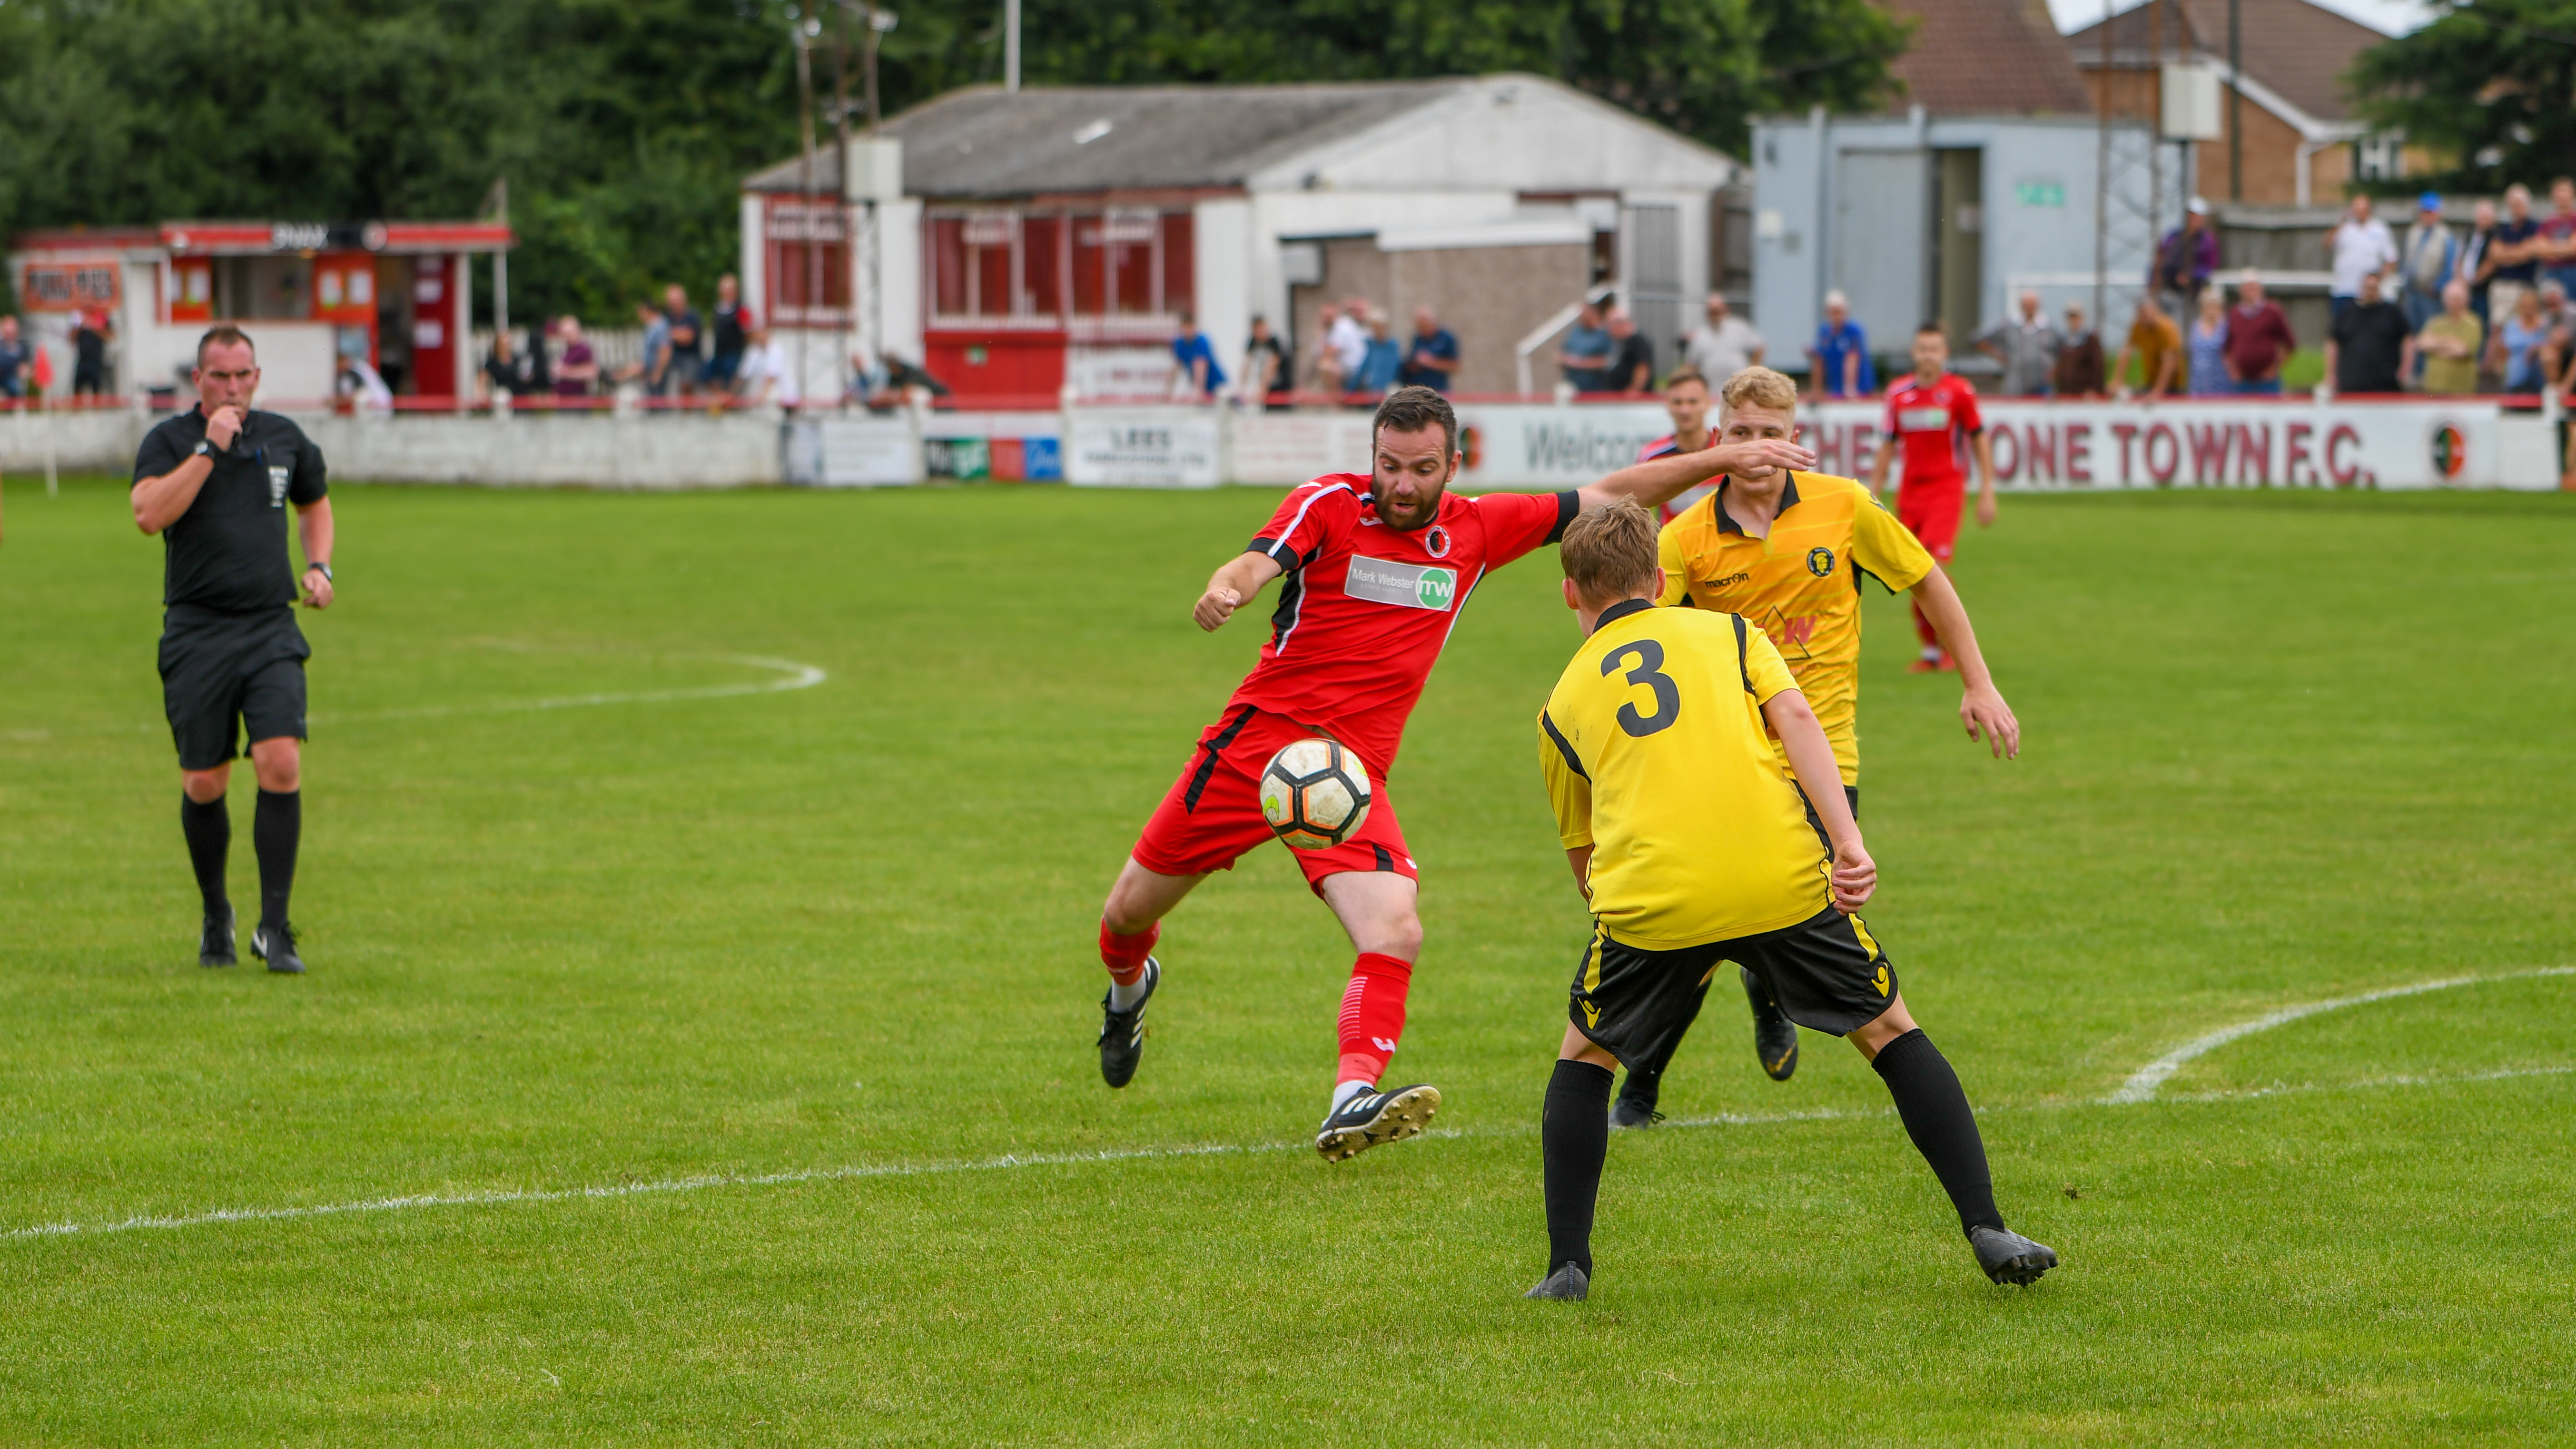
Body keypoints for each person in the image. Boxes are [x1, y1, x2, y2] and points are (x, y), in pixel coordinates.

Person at [1087, 386, 1816, 1162]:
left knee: (1395, 928)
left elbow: (1606, 495)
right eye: (1388, 467)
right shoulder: (1329, 505)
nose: (1401, 485)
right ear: (1372, 458)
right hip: (1248, 753)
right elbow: (1260, 558)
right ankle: (1128, 993)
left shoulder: (1475, 529)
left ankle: (1349, 1098)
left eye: (1421, 469)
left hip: (1347, 781)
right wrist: (1229, 586)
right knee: (1128, 913)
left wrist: (1721, 461)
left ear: (1453, 466)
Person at [1521, 499, 2055, 1302]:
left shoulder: (1558, 702)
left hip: (1652, 899)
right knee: (1888, 1029)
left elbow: (1583, 854)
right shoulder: (1730, 634)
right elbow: (1798, 719)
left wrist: (1621, 923)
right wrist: (1846, 842)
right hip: (1779, 876)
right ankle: (1986, 1225)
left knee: (1585, 1057)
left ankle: (1567, 1268)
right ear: (1660, 579)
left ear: (1570, 593)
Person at [1605, 366, 2021, 1126]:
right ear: (1715, 440)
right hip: (1723, 764)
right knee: (1697, 935)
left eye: (1771, 434)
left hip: (1824, 760)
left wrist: (1979, 683)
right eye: (1740, 435)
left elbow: (1928, 580)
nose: (1756, 449)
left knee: (1795, 916)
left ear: (1796, 440)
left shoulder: (1845, 507)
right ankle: (1650, 1080)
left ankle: (1727, 1028)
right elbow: (1630, 633)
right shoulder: (1683, 538)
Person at [128, 326, 335, 977]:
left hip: (271, 626)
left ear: (257, 374)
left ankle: (276, 928)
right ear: (199, 379)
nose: (235, 388)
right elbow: (149, 515)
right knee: (205, 781)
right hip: (196, 632)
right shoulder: (167, 442)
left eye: (244, 375)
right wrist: (210, 450)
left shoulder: (285, 438)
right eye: (221, 376)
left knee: (279, 761)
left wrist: (321, 564)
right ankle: (217, 911)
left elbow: (315, 503)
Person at [1867, 324, 1995, 672]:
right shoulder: (1898, 394)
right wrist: (1873, 492)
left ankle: (1952, 648)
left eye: (1934, 349)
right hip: (1910, 494)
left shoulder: (1958, 392)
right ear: (1913, 353)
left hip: (1945, 491)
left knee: (1931, 569)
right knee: (1912, 574)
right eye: (1922, 349)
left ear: (1945, 354)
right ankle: (1930, 652)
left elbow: (1979, 438)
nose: (1928, 355)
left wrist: (1987, 490)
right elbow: (1887, 446)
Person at [1632, 367, 1717, 523]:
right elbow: (1635, 512)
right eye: (1678, 402)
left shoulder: (1724, 452)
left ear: (1707, 403)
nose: (1685, 410)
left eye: (1693, 402)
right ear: (1668, 405)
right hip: (1669, 546)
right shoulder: (1653, 456)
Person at [2326, 269, 2412, 395]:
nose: (2371, 291)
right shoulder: (2347, 312)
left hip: (2386, 385)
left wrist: (2405, 370)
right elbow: (2333, 343)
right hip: (2351, 384)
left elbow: (2408, 340)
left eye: (2374, 288)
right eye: (2368, 287)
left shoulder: (2392, 312)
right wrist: (2331, 374)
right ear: (2361, 287)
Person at [2326, 194, 2398, 325]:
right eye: (2356, 209)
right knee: (2342, 327)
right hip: (2344, 289)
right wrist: (2340, 222)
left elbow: (2391, 260)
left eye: (2363, 209)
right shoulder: (2344, 229)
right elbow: (2327, 246)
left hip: (2368, 294)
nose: (2360, 212)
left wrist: (2378, 282)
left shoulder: (2380, 230)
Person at [2222, 273, 2296, 395]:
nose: (2250, 292)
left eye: (2253, 287)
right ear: (2241, 291)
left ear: (2260, 289)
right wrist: (2233, 370)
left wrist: (2275, 368)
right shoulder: (2234, 314)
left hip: (2268, 382)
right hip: (2243, 382)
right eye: (2247, 288)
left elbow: (2290, 344)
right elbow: (2226, 347)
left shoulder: (2272, 312)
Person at [2398, 193, 2457, 343]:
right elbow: (2406, 260)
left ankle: (2427, 366)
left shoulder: (2446, 236)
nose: (2427, 215)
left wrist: (2437, 288)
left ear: (2438, 213)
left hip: (2431, 294)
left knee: (2430, 331)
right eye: (2424, 212)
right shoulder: (2414, 232)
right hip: (2412, 291)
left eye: (2431, 212)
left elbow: (2450, 267)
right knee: (2411, 331)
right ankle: (2414, 366)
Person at [1977, 290, 2059, 396]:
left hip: (2042, 382)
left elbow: (2062, 349)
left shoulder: (2048, 327)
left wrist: (2055, 370)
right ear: (2021, 306)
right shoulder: (2009, 325)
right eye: (2027, 305)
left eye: (2032, 305)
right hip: (2016, 383)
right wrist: (1999, 356)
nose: (2030, 308)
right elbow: (1980, 339)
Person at [2152, 197, 2220, 317]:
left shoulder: (2207, 241)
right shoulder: (2174, 237)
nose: (2194, 220)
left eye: (2197, 217)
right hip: (2170, 291)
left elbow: (2210, 267)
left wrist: (2191, 276)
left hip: (2194, 294)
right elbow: (2161, 260)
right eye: (2191, 216)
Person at [2416, 278, 2483, 397]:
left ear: (2467, 299)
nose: (2454, 302)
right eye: (2451, 298)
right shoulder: (2435, 322)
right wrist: (2450, 342)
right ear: (2444, 300)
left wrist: (2436, 345)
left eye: (2458, 298)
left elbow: (2462, 351)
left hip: (2460, 393)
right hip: (2433, 391)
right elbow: (2422, 344)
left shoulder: (2473, 323)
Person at [1681, 292, 1764, 384]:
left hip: (1738, 385)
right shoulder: (1700, 335)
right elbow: (1691, 364)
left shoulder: (1739, 327)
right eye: (1712, 312)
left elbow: (1759, 348)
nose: (1715, 315)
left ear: (1725, 310)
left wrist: (1753, 371)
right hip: (1711, 389)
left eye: (1718, 311)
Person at [2488, 184, 2541, 327]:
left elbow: (2527, 254)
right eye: (2513, 205)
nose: (2516, 209)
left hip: (2521, 286)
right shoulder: (2504, 228)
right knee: (2497, 328)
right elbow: (2494, 254)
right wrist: (2516, 252)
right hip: (2500, 286)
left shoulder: (2534, 227)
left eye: (2519, 205)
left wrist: (2506, 253)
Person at [2113, 295, 2183, 398]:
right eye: (2142, 315)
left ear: (2156, 311)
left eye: (2148, 313)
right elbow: (2126, 352)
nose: (2146, 318)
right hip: (2151, 381)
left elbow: (2169, 363)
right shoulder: (2138, 327)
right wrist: (2118, 381)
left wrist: (2157, 392)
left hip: (2174, 384)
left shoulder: (2168, 329)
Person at [1807, 291, 1873, 398]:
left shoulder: (1854, 330)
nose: (1837, 317)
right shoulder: (1824, 332)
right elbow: (1819, 360)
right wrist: (1817, 390)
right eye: (1833, 313)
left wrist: (1850, 389)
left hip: (1859, 388)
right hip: (1835, 388)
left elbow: (1852, 359)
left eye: (1840, 312)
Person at [2488, 284, 2552, 392]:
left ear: (2537, 305)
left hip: (2539, 380)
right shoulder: (2511, 326)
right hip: (2514, 380)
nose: (2528, 308)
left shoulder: (2546, 325)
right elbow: (2504, 352)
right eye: (2525, 305)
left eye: (2531, 305)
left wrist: (2537, 349)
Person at [2458, 197, 2500, 328]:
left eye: (2487, 217)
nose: (2484, 221)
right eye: (2481, 217)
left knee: (2481, 324)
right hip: (2465, 288)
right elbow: (2461, 257)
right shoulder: (2471, 234)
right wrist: (2461, 280)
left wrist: (2472, 281)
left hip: (2483, 290)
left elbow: (2491, 263)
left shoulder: (2496, 236)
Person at [1396, 306, 1460, 393]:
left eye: (1423, 323)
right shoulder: (1417, 338)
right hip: (1418, 391)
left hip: (1439, 391)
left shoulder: (1446, 338)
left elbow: (1455, 366)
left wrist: (1431, 362)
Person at [708, 274, 751, 393]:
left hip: (734, 352)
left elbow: (747, 331)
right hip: (719, 352)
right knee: (706, 373)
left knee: (729, 373)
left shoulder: (741, 309)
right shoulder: (718, 308)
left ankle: (726, 400)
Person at [1171, 308, 1227, 400]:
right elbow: (1175, 368)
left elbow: (1200, 367)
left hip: (1217, 384)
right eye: (1185, 327)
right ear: (1181, 327)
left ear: (1195, 327)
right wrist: (1168, 393)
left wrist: (1199, 392)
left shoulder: (1202, 341)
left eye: (1190, 327)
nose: (1188, 330)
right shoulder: (1179, 343)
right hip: (1202, 387)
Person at [2052, 303, 2105, 397]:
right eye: (2071, 317)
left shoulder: (2090, 340)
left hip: (2085, 395)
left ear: (2082, 318)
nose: (2073, 321)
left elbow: (2098, 367)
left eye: (2076, 317)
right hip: (2066, 393)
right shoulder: (2063, 340)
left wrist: (2094, 389)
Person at [1558, 301, 1612, 393]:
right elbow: (1563, 352)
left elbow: (1606, 362)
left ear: (1593, 315)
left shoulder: (1604, 335)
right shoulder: (1575, 332)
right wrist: (1562, 360)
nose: (1581, 317)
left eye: (1584, 314)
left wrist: (1578, 363)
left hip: (1595, 389)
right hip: (1573, 388)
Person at [622, 302, 672, 396]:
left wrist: (659, 372)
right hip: (649, 370)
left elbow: (665, 350)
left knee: (658, 401)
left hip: (656, 371)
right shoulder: (651, 327)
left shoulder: (660, 327)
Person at [2186, 291, 2231, 395]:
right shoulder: (2196, 326)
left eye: (2214, 306)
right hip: (2199, 381)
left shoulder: (2226, 326)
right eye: (2208, 306)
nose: (2211, 309)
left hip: (2221, 380)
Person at [2538, 178, 2576, 303]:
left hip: (2572, 272)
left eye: (2565, 191)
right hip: (2551, 273)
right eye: (2559, 192)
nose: (2562, 195)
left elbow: (2573, 248)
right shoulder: (2547, 222)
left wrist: (2551, 248)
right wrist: (2564, 249)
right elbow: (2540, 249)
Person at [1240, 315, 1290, 407]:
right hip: (1267, 387)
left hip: (1282, 386)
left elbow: (1270, 369)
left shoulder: (1275, 342)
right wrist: (1241, 389)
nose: (1260, 333)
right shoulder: (1253, 343)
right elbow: (1246, 366)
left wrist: (1260, 392)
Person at [663, 286, 705, 394]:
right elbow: (665, 335)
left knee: (686, 383)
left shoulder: (692, 316)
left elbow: (689, 338)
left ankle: (688, 409)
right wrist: (680, 334)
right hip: (674, 355)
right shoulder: (668, 317)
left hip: (691, 356)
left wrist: (674, 334)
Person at [1603, 307, 1654, 394]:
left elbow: (1643, 367)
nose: (1608, 331)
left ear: (1620, 324)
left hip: (1631, 401)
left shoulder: (1638, 341)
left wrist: (1635, 390)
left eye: (1609, 326)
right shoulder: (1622, 343)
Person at [1329, 297, 1372, 395]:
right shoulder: (1344, 326)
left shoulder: (1368, 329)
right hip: (1349, 372)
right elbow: (1333, 350)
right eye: (1358, 311)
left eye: (1363, 311)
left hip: (1366, 373)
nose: (1361, 314)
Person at [553, 316, 598, 399]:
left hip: (577, 398)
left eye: (568, 333)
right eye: (564, 333)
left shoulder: (583, 350)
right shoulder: (566, 350)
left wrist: (565, 372)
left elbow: (591, 372)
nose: (566, 337)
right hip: (563, 398)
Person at [71, 309, 113, 398]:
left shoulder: (102, 317)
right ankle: (77, 410)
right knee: (77, 389)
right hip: (82, 360)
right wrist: (81, 326)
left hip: (96, 362)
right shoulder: (79, 318)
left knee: (97, 390)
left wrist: (92, 325)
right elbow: (71, 339)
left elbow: (110, 336)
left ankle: (97, 411)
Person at [0, 315, 27, 399]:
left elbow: (25, 363)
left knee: (15, 386)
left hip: (12, 376)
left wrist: (24, 370)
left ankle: (14, 409)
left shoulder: (22, 346)